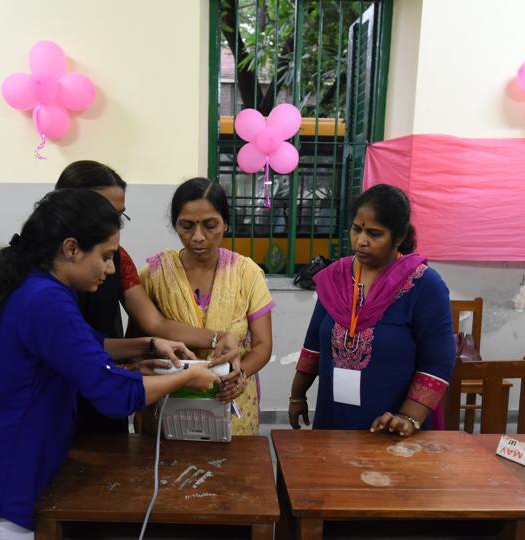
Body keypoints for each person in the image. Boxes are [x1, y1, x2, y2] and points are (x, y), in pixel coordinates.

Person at [0, 189, 220, 540]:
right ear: (71, 248)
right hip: (8, 478)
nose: (110, 269)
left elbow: (88, 347)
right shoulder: (44, 298)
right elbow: (110, 393)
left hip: (11, 465)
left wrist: (149, 344)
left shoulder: (40, 287)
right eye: (106, 257)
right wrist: (187, 377)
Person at [54, 161, 240, 434]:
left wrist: (154, 347)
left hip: (108, 390)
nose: (110, 267)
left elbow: (151, 325)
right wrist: (175, 375)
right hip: (65, 401)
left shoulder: (117, 257)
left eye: (120, 217)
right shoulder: (44, 287)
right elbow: (81, 359)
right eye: (108, 215)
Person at [287, 184, 454, 436]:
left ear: (398, 237)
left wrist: (407, 417)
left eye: (374, 234)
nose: (361, 241)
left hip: (390, 424)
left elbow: (437, 363)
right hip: (333, 418)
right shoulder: (335, 277)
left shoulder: (424, 284)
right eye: (356, 229)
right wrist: (297, 395)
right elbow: (313, 346)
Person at [138, 177, 274, 435]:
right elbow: (141, 339)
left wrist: (239, 375)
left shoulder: (247, 273)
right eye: (186, 226)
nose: (198, 237)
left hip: (230, 400)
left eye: (210, 225)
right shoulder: (155, 274)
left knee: (233, 471)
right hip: (171, 402)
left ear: (226, 224)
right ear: (174, 225)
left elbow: (263, 345)